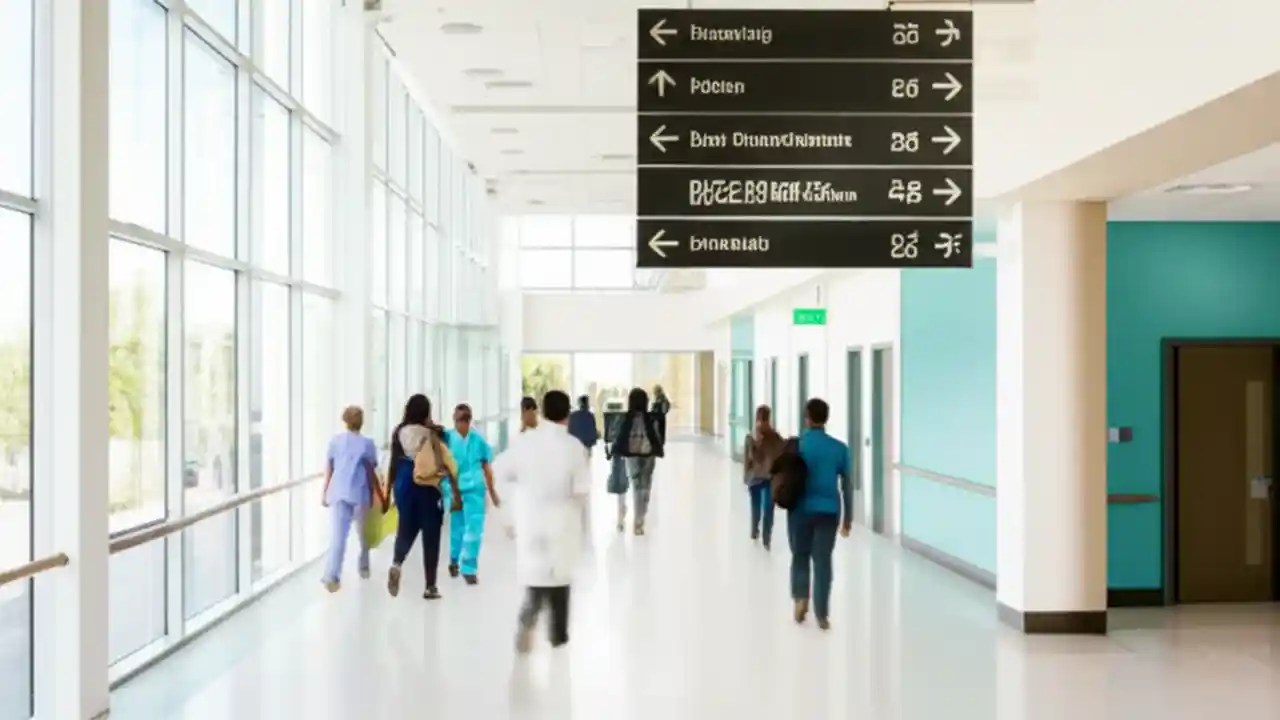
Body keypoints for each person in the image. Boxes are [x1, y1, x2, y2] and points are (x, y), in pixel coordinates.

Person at [494, 390, 591, 653]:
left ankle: (529, 619)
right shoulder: (574, 447)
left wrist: (506, 513)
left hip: (531, 520)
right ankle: (558, 638)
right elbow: (581, 491)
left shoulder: (525, 443)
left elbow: (498, 471)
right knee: (560, 578)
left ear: (543, 412)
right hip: (562, 523)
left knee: (537, 578)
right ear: (567, 414)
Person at [387, 394, 461, 600]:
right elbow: (445, 458)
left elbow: (393, 462)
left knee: (406, 528)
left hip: (403, 483)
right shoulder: (432, 433)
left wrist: (390, 490)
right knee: (431, 535)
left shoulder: (399, 432)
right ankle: (430, 586)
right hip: (427, 486)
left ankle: (396, 563)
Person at [790, 398, 853, 630]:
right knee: (823, 561)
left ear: (807, 418)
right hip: (828, 511)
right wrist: (848, 519)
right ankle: (822, 613)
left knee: (800, 555)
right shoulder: (840, 449)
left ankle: (800, 598)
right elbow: (847, 486)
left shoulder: (798, 446)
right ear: (826, 418)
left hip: (800, 509)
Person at [320, 406, 381, 592]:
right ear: (361, 422)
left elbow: (330, 469)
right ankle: (364, 567)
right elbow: (370, 471)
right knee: (363, 535)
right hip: (359, 493)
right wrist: (374, 493)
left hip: (339, 492)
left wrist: (325, 492)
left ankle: (332, 576)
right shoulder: (367, 444)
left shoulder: (335, 442)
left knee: (338, 536)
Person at [444, 403, 501, 585]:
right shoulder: (448, 438)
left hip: (475, 489)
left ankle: (469, 568)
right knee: (457, 528)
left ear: (469, 421)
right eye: (457, 420)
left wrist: (492, 491)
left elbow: (486, 466)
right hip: (454, 490)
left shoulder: (477, 440)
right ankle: (454, 559)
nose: (460, 423)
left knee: (474, 529)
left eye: (464, 420)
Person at [608, 387, 664, 535]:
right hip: (648, 455)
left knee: (637, 485)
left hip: (631, 455)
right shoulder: (651, 418)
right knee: (645, 487)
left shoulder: (624, 418)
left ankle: (637, 521)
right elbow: (658, 437)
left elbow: (616, 436)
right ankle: (639, 520)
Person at [743, 405, 784, 550]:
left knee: (768, 507)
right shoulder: (751, 438)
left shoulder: (775, 438)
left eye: (765, 419)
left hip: (769, 477)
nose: (763, 423)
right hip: (755, 477)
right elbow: (749, 459)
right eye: (760, 419)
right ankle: (754, 530)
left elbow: (780, 454)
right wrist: (758, 442)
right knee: (756, 507)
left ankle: (767, 536)